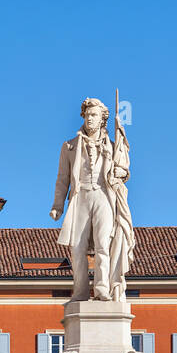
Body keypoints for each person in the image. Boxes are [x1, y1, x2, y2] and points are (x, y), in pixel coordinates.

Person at [49, 97, 131, 301]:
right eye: (87, 115)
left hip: (104, 196)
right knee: (77, 247)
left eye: (94, 115)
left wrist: (119, 172)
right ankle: (81, 290)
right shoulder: (69, 146)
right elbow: (62, 178)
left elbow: (123, 170)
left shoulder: (113, 147)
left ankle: (102, 287)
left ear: (103, 119)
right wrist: (57, 206)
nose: (89, 119)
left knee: (104, 244)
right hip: (80, 196)